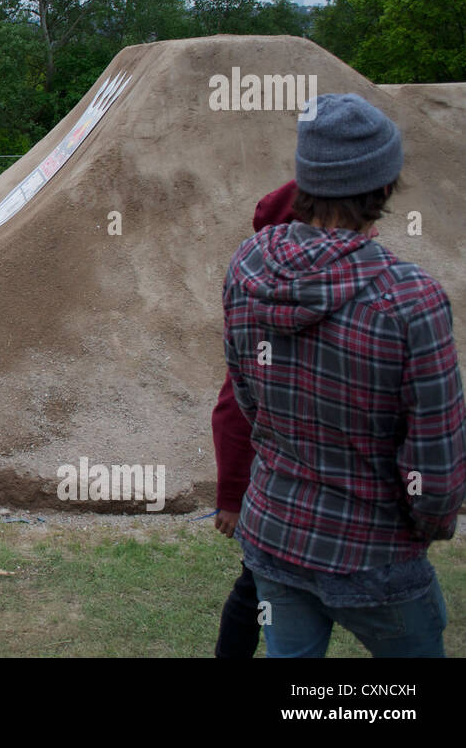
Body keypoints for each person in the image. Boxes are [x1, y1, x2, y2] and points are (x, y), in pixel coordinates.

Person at [224, 93, 466, 658]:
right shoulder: (413, 299)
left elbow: (247, 397)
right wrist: (428, 524)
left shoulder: (248, 265)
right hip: (375, 551)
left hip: (275, 532)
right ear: (384, 186)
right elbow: (436, 455)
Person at [211, 179, 297, 658]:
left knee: (257, 592)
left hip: (279, 501)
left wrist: (232, 496)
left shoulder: (248, 281)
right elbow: (233, 410)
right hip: (319, 505)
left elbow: (232, 408)